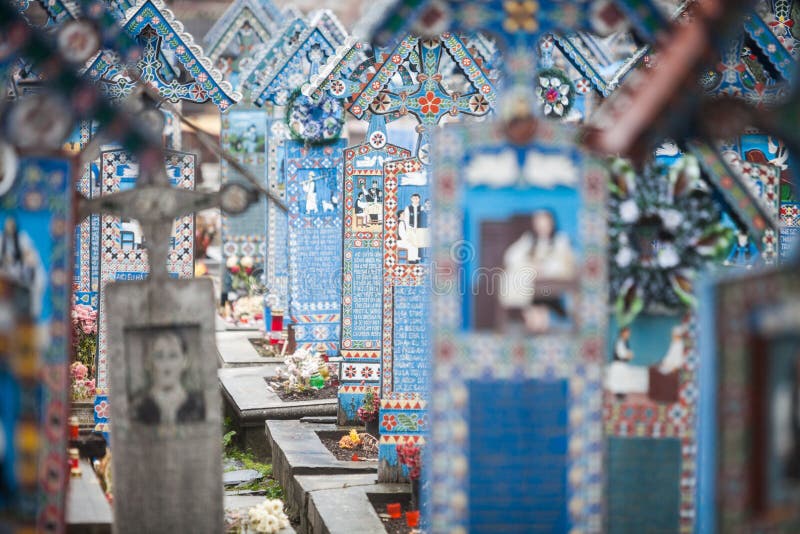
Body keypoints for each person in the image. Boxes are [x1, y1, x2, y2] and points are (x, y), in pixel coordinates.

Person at [498, 209, 576, 333]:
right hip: (532, 283)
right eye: (538, 222)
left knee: (544, 312)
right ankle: (533, 319)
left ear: (551, 223)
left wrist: (545, 268)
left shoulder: (560, 240)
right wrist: (530, 265)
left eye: (545, 222)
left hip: (551, 283)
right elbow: (511, 257)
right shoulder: (529, 240)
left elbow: (566, 262)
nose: (542, 226)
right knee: (533, 313)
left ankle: (543, 319)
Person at [130, 330, 205, 425]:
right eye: (159, 356)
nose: (167, 366)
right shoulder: (135, 408)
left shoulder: (199, 406)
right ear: (148, 362)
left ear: (185, 361)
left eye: (173, 356)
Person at [398, 193, 429, 264]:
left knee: (420, 243)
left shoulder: (422, 208)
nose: (415, 200)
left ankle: (419, 257)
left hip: (419, 228)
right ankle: (412, 258)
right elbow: (406, 219)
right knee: (412, 244)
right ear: (411, 199)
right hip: (410, 228)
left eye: (417, 198)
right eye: (414, 198)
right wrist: (409, 227)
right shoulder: (408, 208)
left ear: (419, 199)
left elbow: (423, 218)